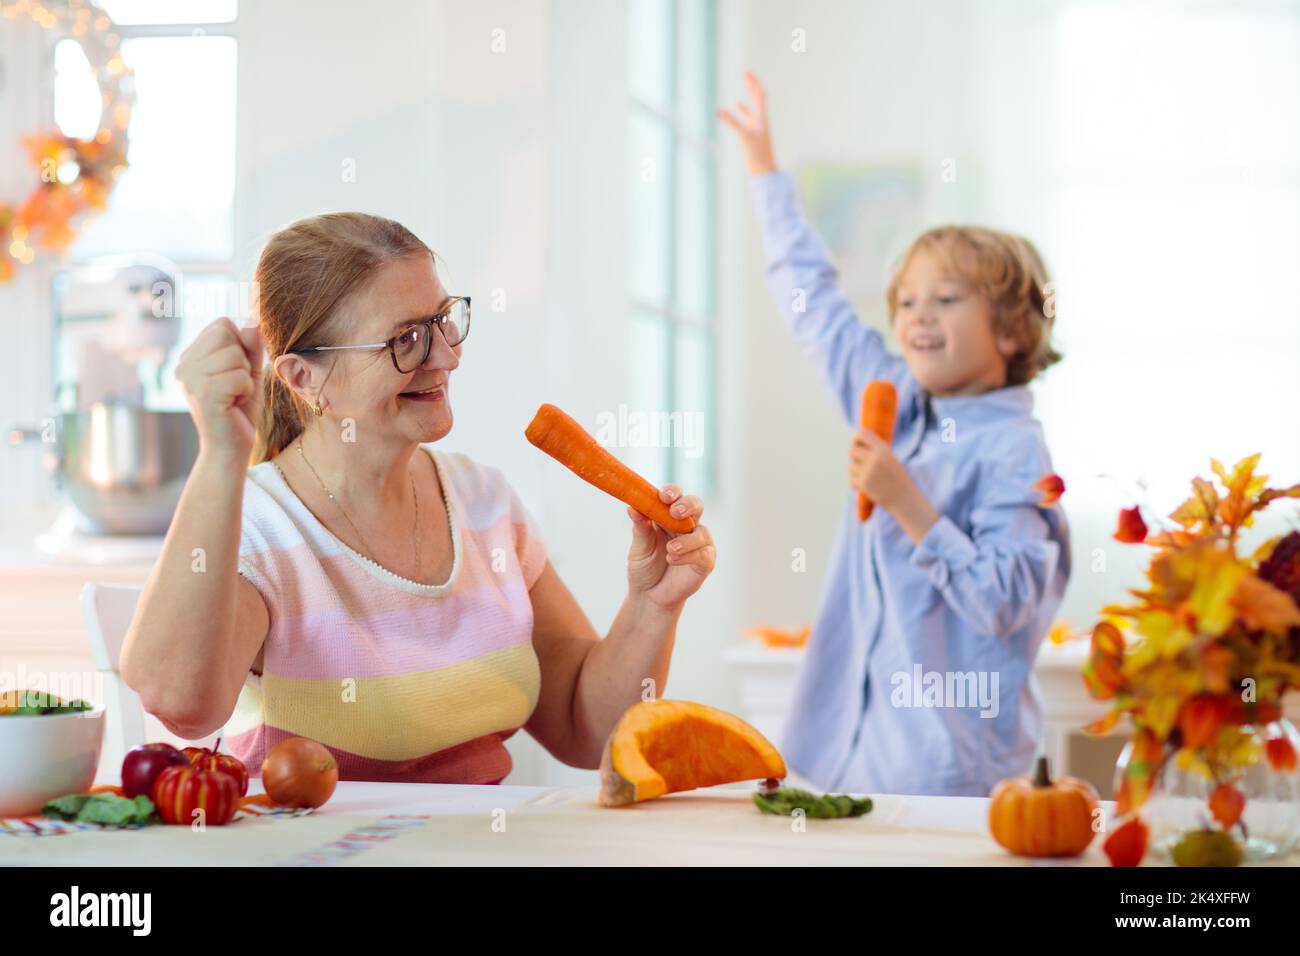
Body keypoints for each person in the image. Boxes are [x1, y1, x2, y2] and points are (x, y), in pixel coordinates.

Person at [120, 212, 715, 783]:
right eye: (406, 339)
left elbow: (588, 730)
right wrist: (222, 453)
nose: (446, 357)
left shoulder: (485, 504)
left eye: (443, 321)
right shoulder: (260, 526)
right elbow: (182, 707)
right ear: (304, 378)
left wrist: (651, 604)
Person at [720, 72, 1070, 796]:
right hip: (841, 757)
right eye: (906, 300)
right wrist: (763, 167)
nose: (917, 315)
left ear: (1011, 331)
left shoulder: (1015, 452)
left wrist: (908, 504)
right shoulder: (890, 397)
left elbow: (1007, 601)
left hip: (947, 777)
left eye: (946, 299)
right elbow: (811, 301)